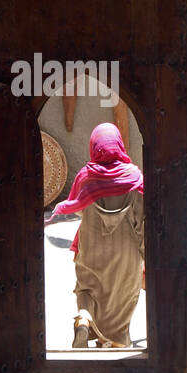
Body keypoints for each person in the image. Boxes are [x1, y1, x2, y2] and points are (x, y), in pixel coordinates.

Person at [45, 123, 145, 348]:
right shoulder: (134, 178)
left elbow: (78, 209)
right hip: (126, 254)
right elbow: (142, 222)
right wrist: (146, 254)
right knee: (122, 297)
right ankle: (114, 342)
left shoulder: (86, 177)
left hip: (91, 248)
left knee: (87, 289)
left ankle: (83, 318)